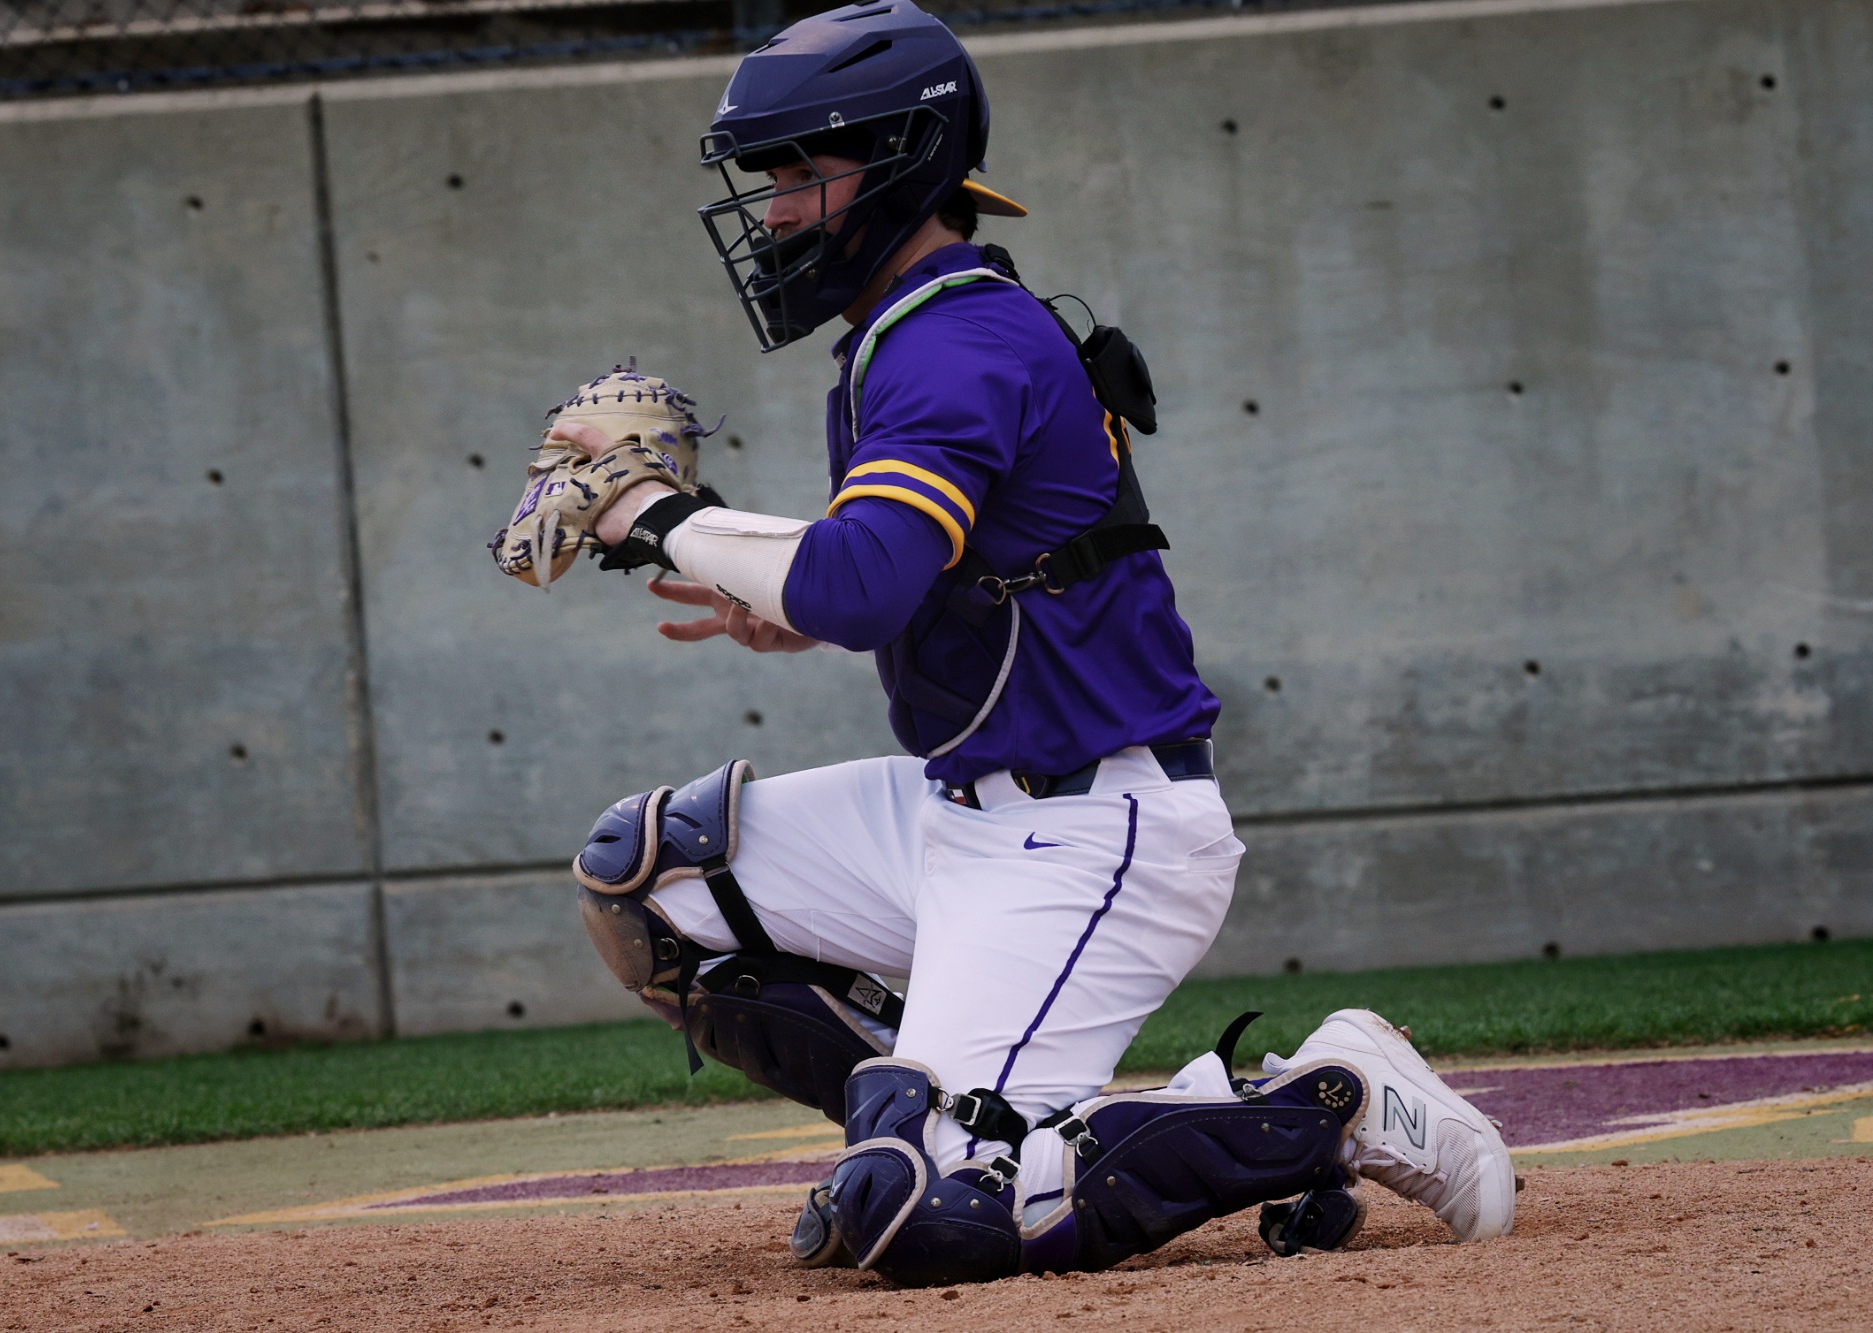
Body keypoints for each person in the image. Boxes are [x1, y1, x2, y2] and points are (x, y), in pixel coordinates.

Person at [564, 0, 1514, 1285]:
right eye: (770, 181)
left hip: (1089, 834)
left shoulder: (956, 340)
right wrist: (786, 600)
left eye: (800, 175)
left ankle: (1321, 1105)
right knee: (655, 880)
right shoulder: (913, 329)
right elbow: (902, 580)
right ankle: (940, 1124)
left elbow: (856, 584)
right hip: (964, 810)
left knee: (935, 1219)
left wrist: (646, 509)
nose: (775, 212)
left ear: (902, 160)